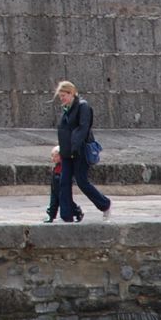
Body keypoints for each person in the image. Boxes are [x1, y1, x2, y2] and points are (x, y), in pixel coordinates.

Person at [52, 80, 111, 222]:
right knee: (64, 182)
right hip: (67, 152)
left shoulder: (83, 107)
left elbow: (83, 129)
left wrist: (74, 147)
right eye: (60, 97)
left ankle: (105, 204)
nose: (62, 99)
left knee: (82, 182)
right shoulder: (67, 109)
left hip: (80, 151)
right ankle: (66, 216)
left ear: (71, 93)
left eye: (63, 96)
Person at [43, 147, 83, 223]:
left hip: (61, 184)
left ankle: (77, 212)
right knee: (54, 201)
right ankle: (51, 215)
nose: (53, 158)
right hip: (55, 185)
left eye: (55, 156)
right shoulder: (56, 166)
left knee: (65, 201)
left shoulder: (64, 166)